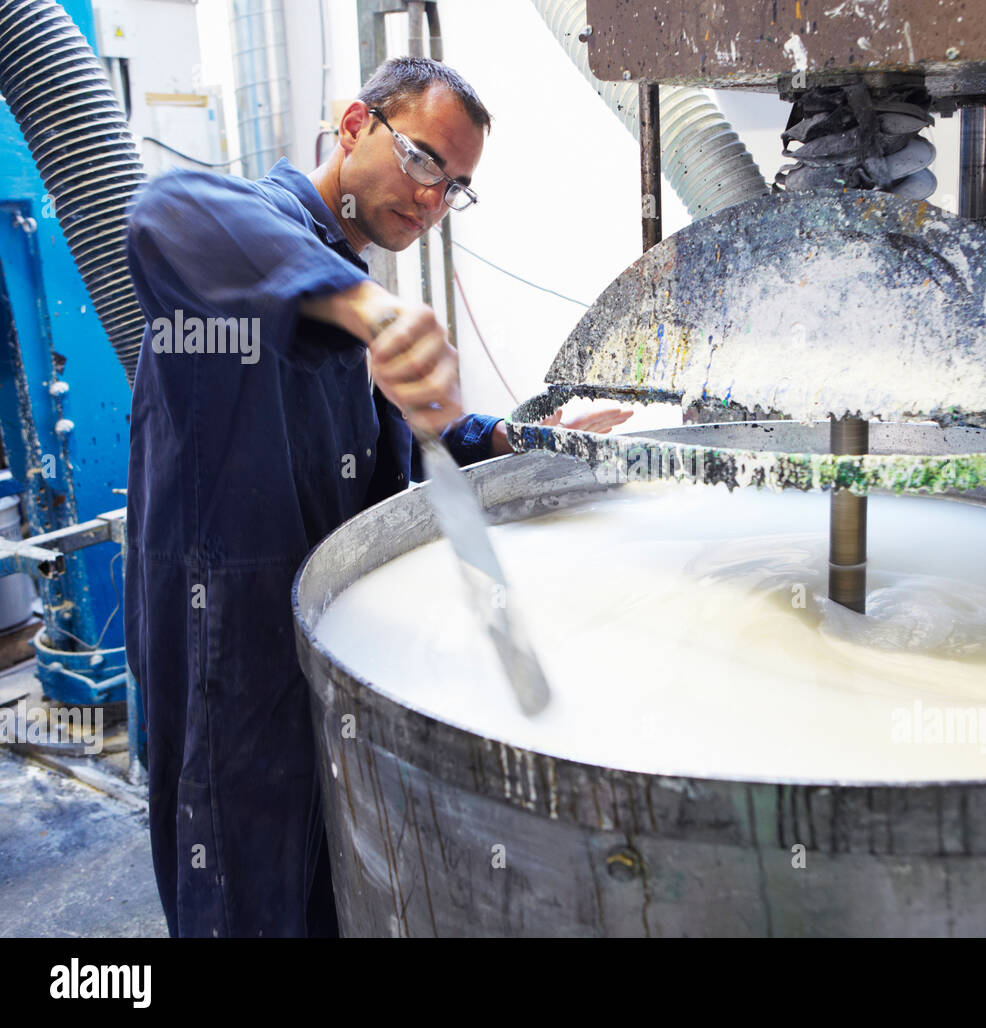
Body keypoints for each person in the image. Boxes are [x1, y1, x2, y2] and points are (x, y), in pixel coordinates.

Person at [124, 56, 628, 937]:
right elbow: (162, 212)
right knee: (243, 907)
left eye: (456, 186)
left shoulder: (349, 289)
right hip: (228, 669)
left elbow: (396, 445)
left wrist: (516, 439)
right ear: (355, 125)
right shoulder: (263, 242)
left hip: (323, 660)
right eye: (423, 160)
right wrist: (371, 313)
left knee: (325, 896)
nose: (433, 200)